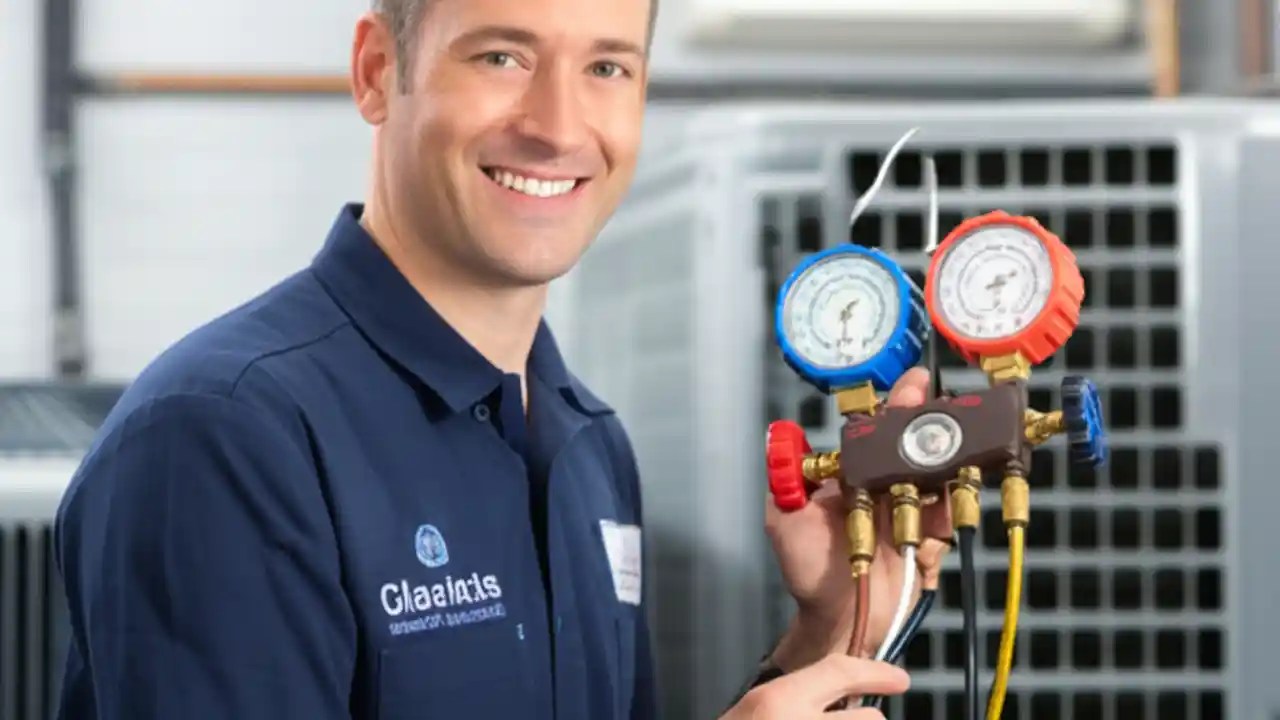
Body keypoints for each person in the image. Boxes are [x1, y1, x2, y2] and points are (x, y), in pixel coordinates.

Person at [52, 0, 953, 718]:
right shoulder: (226, 435)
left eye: (606, 67)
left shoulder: (587, 442)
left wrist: (830, 628)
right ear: (378, 71)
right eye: (502, 57)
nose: (558, 127)